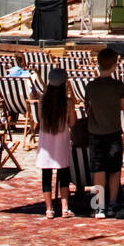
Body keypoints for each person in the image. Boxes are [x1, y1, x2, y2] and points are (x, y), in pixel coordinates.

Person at [84, 48, 124, 219]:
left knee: (99, 169)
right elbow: (123, 105)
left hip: (95, 132)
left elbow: (87, 106)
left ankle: (98, 205)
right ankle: (112, 203)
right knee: (114, 169)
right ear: (114, 66)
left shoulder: (91, 86)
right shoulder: (118, 85)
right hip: (113, 131)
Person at [36, 67, 76, 219]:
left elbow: (40, 119)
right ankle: (65, 207)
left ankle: (49, 209)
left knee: (46, 175)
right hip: (61, 140)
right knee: (63, 173)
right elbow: (72, 122)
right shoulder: (67, 103)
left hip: (46, 142)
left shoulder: (43, 101)